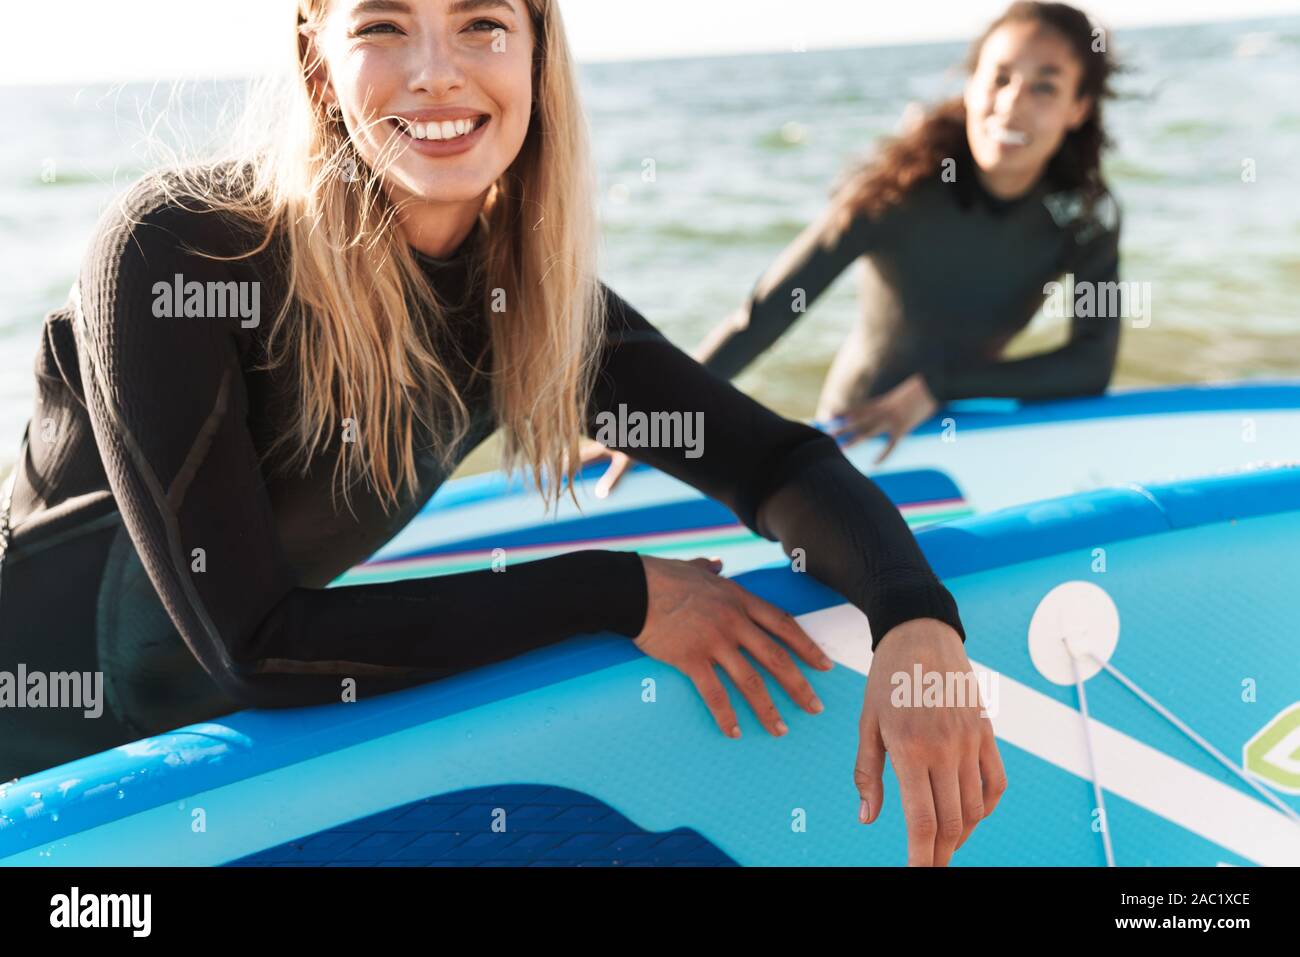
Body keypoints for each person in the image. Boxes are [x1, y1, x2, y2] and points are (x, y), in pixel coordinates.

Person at [0, 0, 1004, 866]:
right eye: (384, 26)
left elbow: (771, 461)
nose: (437, 73)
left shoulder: (526, 303)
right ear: (319, 60)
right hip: (32, 782)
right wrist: (623, 590)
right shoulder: (179, 252)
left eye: (481, 22)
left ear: (535, 49)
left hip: (211, 776)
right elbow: (255, 645)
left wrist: (913, 622)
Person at [584, 0, 1122, 496]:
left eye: (1045, 88)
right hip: (853, 441)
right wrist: (660, 420)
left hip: (968, 437)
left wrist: (937, 387)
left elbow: (1090, 366)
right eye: (999, 78)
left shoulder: (1086, 219)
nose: (1011, 105)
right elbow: (763, 316)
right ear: (970, 86)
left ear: (1079, 107)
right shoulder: (897, 192)